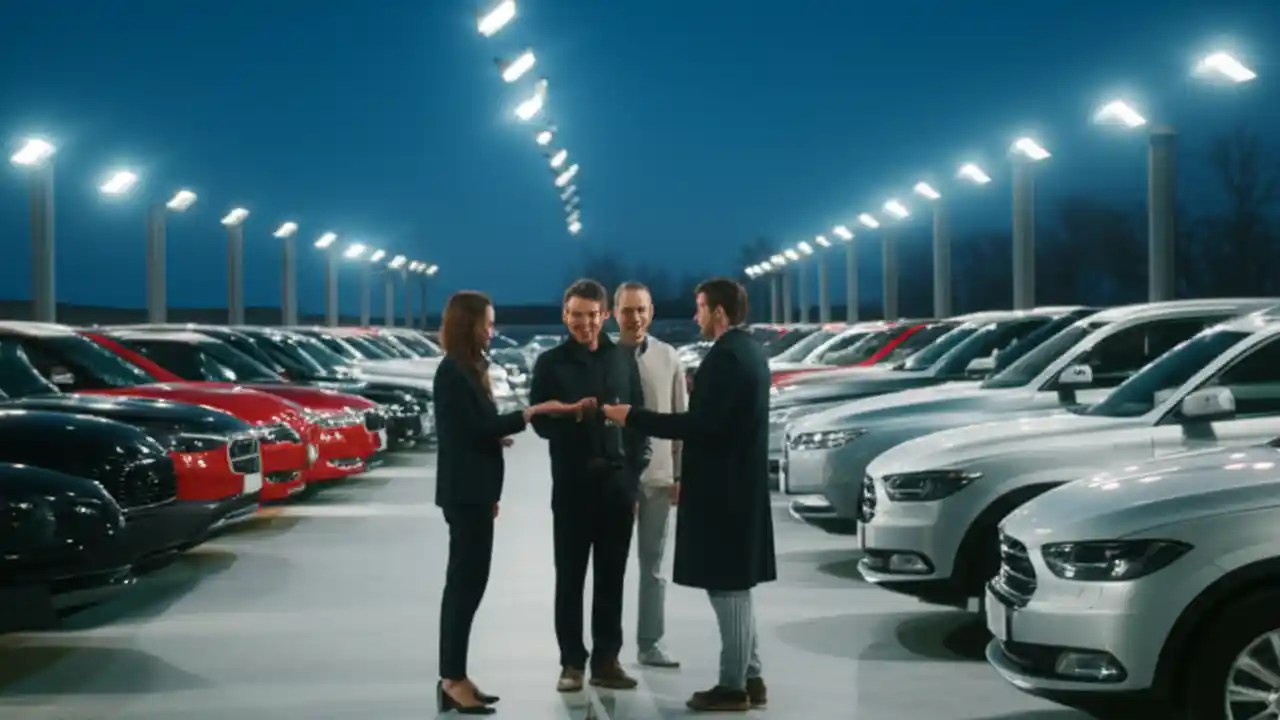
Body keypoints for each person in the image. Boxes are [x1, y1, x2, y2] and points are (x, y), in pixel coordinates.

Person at [602, 278, 776, 713]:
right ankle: (752, 677)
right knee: (735, 586)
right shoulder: (750, 351)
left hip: (725, 492)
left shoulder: (726, 358)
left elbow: (699, 425)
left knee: (728, 587)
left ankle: (732, 687)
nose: (696, 316)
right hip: (740, 488)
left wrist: (633, 418)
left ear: (719, 312)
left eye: (700, 308)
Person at [433, 290, 588, 715]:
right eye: (487, 322)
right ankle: (451, 679)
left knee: (470, 585)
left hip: (475, 493)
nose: (492, 329)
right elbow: (476, 427)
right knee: (464, 587)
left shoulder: (466, 369)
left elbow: (471, 429)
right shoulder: (453, 372)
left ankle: (457, 676)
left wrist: (494, 436)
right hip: (466, 494)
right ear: (470, 325)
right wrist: (533, 412)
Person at [528, 278, 650, 693]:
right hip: (572, 487)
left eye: (592, 315)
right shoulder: (550, 364)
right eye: (577, 315)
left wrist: (633, 480)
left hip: (617, 487)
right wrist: (570, 415)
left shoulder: (622, 359)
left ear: (605, 316)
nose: (585, 323)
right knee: (571, 578)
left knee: (611, 578)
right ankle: (571, 663)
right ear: (565, 315)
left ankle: (607, 660)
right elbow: (540, 423)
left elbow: (638, 422)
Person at [614, 281, 687, 669]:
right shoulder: (605, 357)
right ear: (614, 313)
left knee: (653, 566)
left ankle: (650, 642)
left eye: (641, 309)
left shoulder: (669, 357)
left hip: (658, 478)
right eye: (627, 310)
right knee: (610, 567)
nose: (635, 318)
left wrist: (679, 474)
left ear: (652, 311)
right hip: (614, 481)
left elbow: (680, 419)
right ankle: (607, 650)